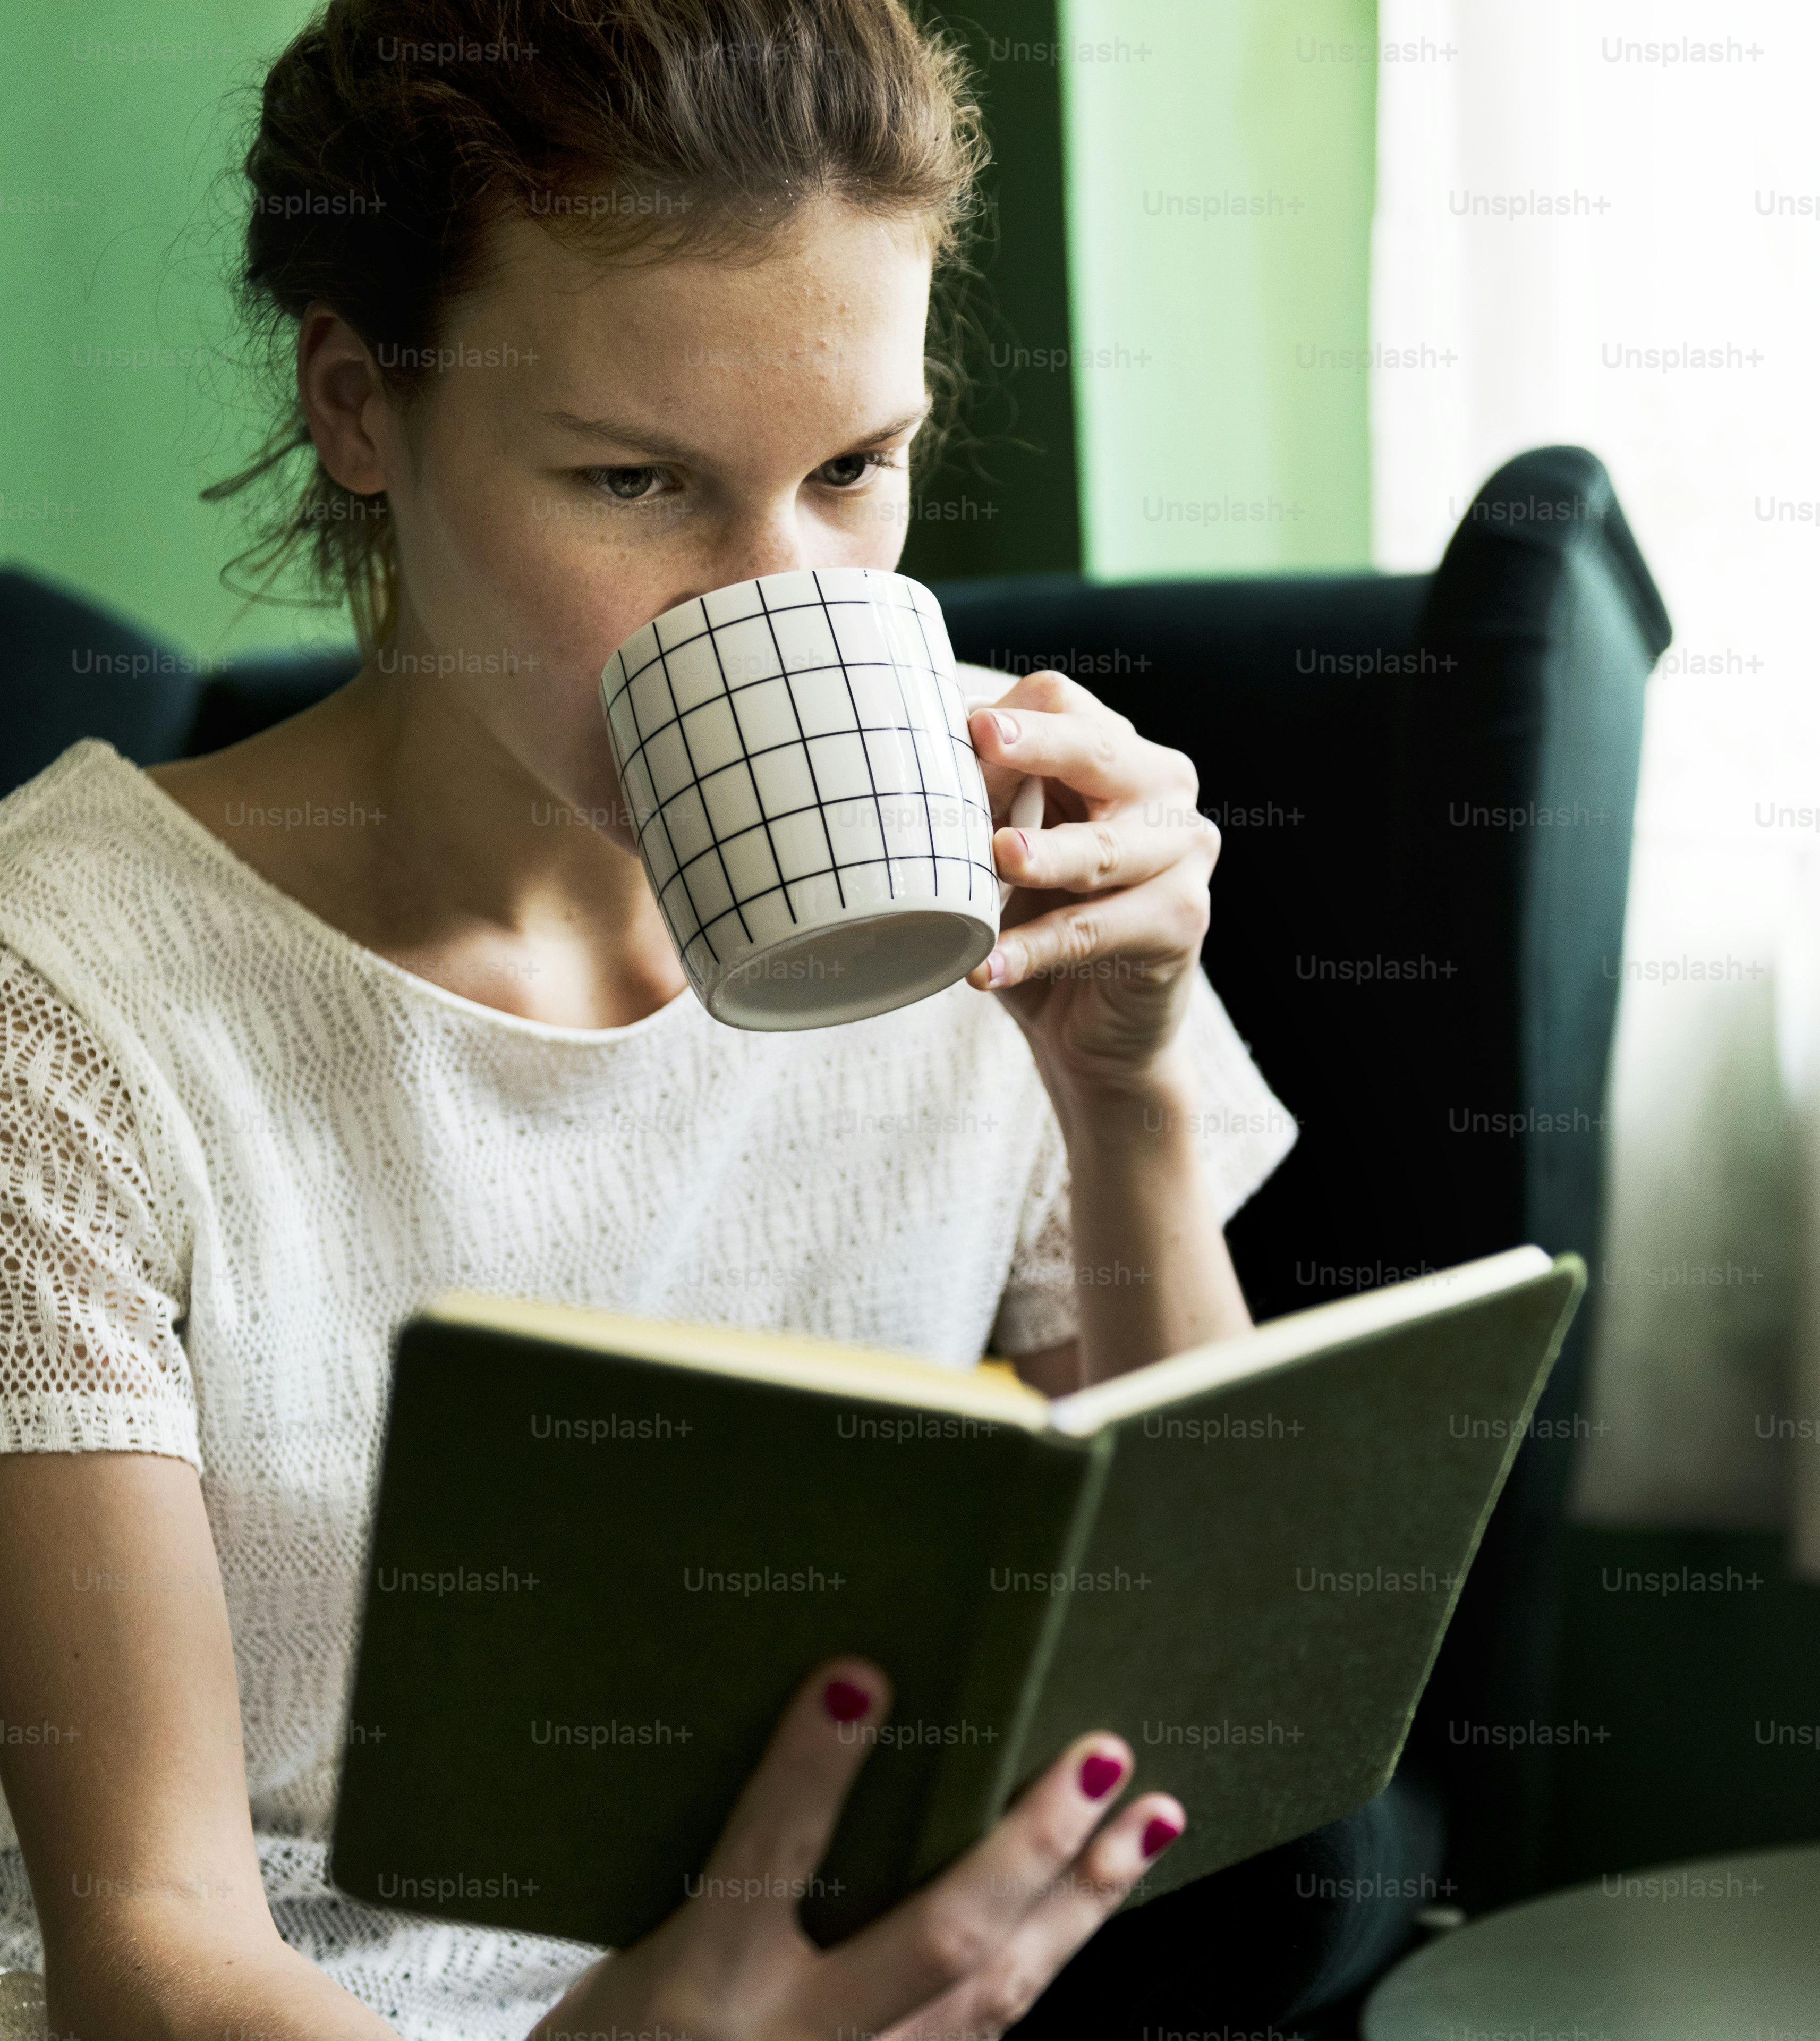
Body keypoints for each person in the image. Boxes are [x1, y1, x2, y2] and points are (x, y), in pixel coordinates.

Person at [0, 4, 1434, 2036]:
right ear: (355, 404)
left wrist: (1124, 1103)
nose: (776, 595)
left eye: (856, 467)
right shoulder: (56, 1004)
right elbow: (147, 1954)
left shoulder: (983, 875)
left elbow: (1210, 1683)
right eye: (632, 481)